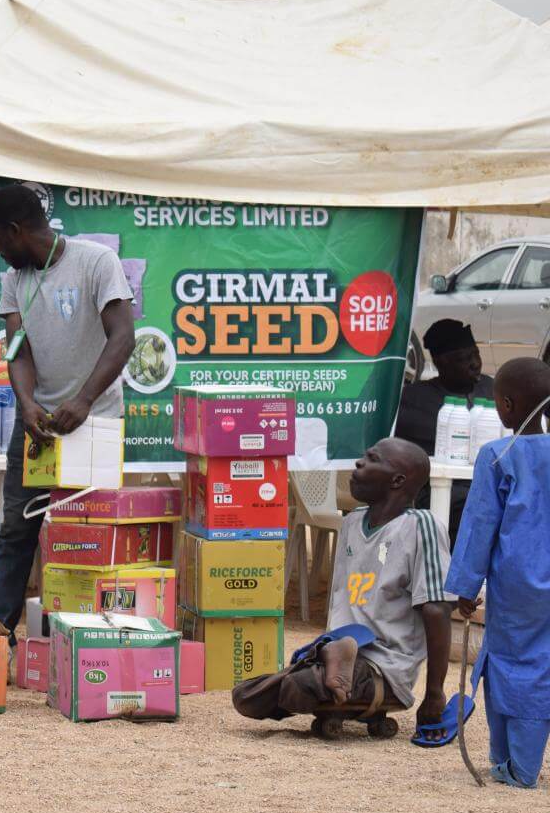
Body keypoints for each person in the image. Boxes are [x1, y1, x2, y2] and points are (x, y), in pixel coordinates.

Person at [0, 183, 133, 630]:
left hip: (95, 421)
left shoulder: (96, 261)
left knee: (88, 533)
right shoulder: (15, 280)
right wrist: (27, 403)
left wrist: (84, 400)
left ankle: (89, 634)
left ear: (16, 230)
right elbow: (17, 350)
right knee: (16, 529)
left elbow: (123, 337)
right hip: (37, 426)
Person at [233, 438, 452, 739]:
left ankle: (328, 665)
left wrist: (435, 694)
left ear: (397, 481)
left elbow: (437, 608)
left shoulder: (421, 525)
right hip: (341, 648)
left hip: (383, 665)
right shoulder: (352, 521)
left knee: (298, 686)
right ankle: (330, 655)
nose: (359, 463)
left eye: (372, 459)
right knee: (246, 694)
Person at [447, 357, 550, 788]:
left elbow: (479, 526)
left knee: (511, 663)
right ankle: (514, 762)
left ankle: (515, 765)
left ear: (507, 405)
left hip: (517, 583)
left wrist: (465, 587)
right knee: (541, 663)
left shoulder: (498, 456)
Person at [395, 318, 495, 541]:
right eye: (464, 359)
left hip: (490, 484)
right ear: (441, 363)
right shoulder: (413, 400)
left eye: (476, 354)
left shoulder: (492, 389)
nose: (474, 363)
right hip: (439, 490)